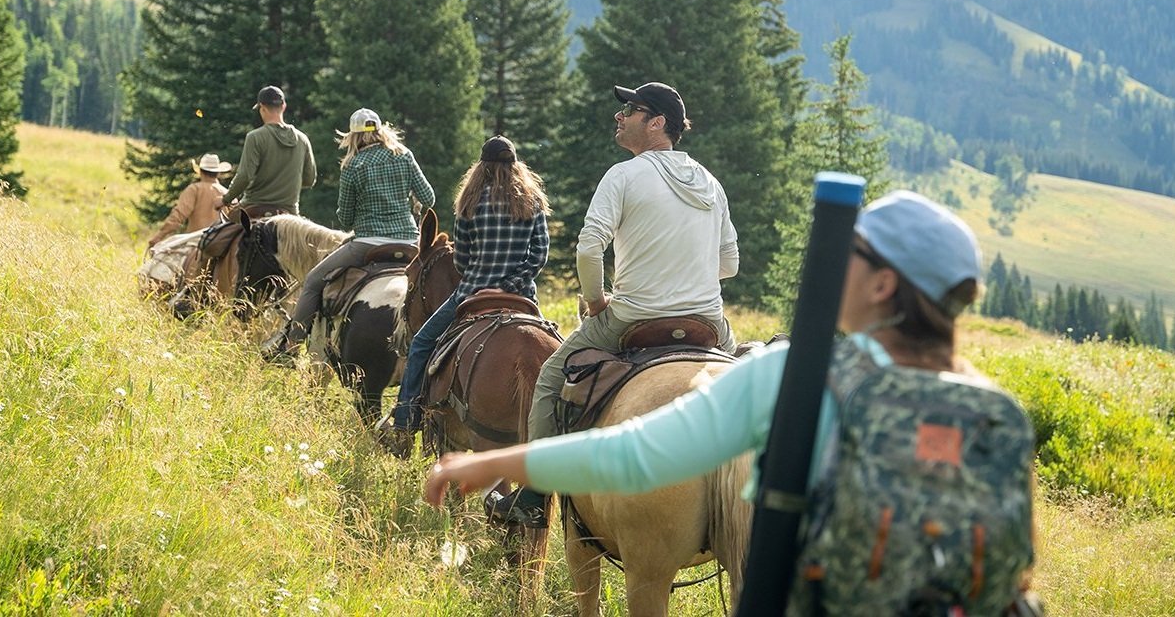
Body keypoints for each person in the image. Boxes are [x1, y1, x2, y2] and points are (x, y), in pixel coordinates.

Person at [423, 191, 1039, 614]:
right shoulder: (997, 410)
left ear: (882, 285)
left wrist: (496, 462)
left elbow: (637, 455)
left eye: (849, 253)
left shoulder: (797, 378)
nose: (833, 266)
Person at [489, 81, 738, 524]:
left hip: (632, 316)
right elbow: (730, 264)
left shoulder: (623, 175)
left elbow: (589, 250)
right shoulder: (710, 182)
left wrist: (595, 301)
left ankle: (534, 496)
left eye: (631, 110)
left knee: (549, 380)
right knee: (744, 375)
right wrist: (685, 276)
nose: (619, 116)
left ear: (656, 123)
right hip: (707, 320)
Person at [375, 135, 550, 455]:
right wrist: (511, 284)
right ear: (516, 166)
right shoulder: (533, 201)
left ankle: (404, 424)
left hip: (473, 291)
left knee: (421, 344)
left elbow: (462, 259)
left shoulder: (471, 201)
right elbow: (539, 254)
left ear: (482, 167)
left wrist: (484, 278)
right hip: (522, 296)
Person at [263, 107, 435, 363]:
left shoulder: (353, 165)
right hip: (410, 242)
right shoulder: (404, 155)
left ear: (352, 136)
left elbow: (345, 218)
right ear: (381, 130)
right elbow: (429, 198)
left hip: (368, 244)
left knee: (312, 282)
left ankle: (290, 347)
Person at [220, 85, 317, 218]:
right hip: (290, 212)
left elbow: (245, 176)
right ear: (283, 106)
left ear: (262, 107)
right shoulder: (302, 139)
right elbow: (309, 180)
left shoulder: (255, 137)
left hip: (253, 207)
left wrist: (226, 199)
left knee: (220, 228)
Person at [146, 153, 232, 248]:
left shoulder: (194, 189)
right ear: (218, 173)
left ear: (200, 171)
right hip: (222, 247)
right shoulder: (227, 194)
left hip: (195, 244)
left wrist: (158, 237)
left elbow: (178, 215)